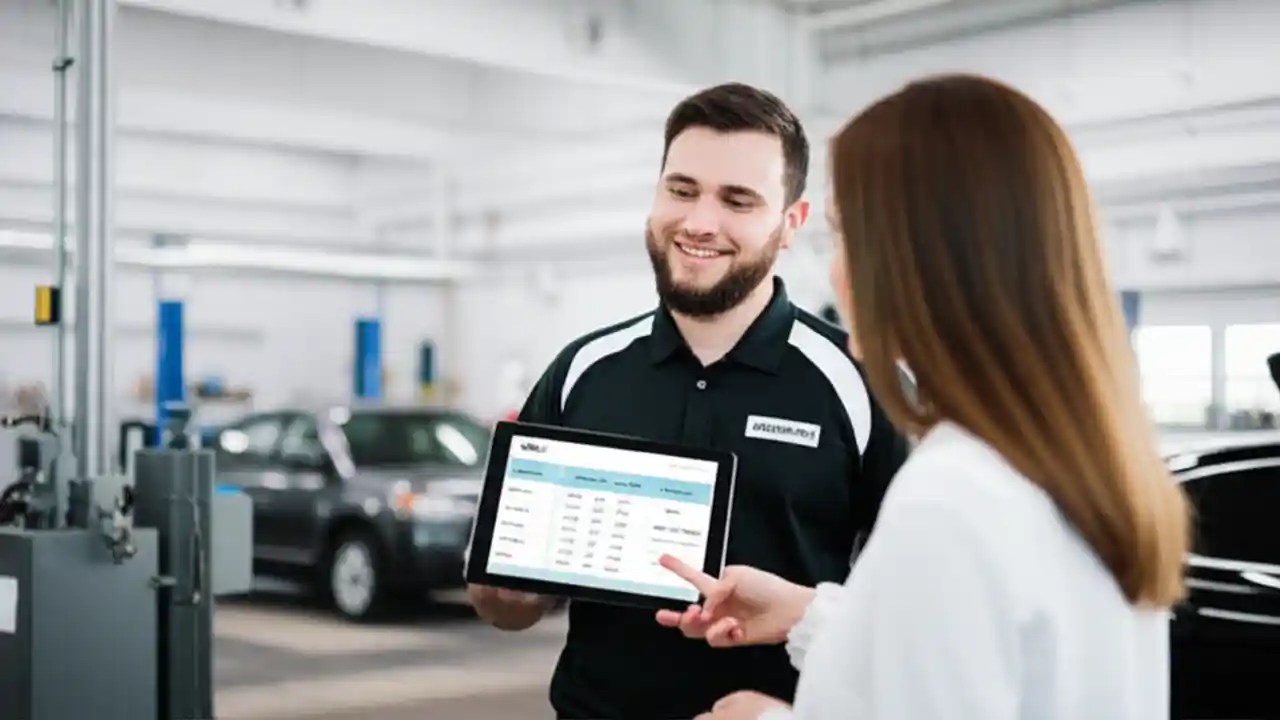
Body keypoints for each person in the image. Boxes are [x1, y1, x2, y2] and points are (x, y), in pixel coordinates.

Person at [656, 73, 1193, 720]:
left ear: (920, 259)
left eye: (847, 235)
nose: (837, 269)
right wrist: (808, 613)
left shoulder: (951, 498)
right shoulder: (1081, 467)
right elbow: (978, 654)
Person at [467, 82, 910, 719]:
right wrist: (501, 587)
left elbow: (918, 612)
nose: (700, 222)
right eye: (681, 190)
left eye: (737, 200)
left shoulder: (859, 381)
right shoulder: (582, 370)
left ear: (791, 224)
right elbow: (508, 607)